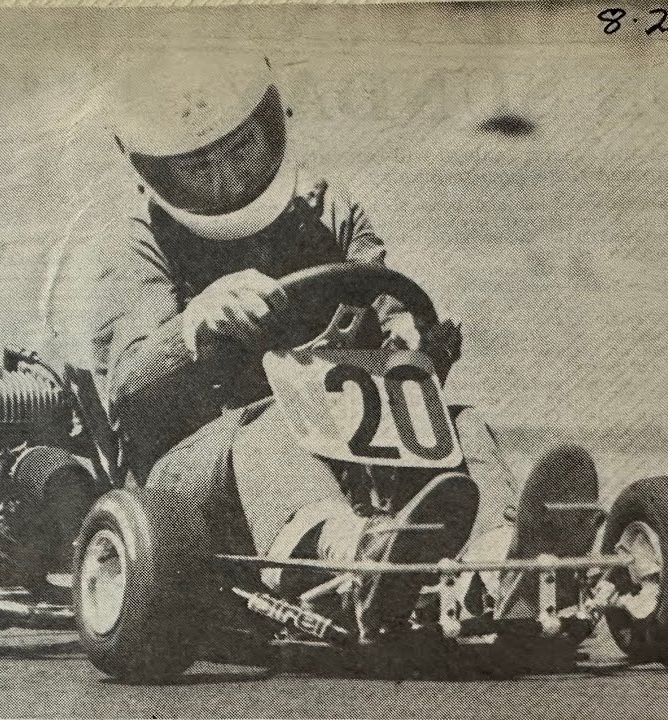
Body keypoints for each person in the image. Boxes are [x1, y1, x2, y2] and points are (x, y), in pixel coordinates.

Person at [87, 51, 518, 643]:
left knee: (462, 423)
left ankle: (503, 556)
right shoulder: (136, 241)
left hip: (336, 440)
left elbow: (386, 304)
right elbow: (126, 389)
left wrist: (416, 342)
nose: (229, 178)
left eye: (240, 149)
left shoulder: (325, 210)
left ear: (269, 125)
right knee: (267, 425)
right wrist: (195, 327)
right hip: (192, 480)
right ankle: (342, 559)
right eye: (198, 168)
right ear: (154, 171)